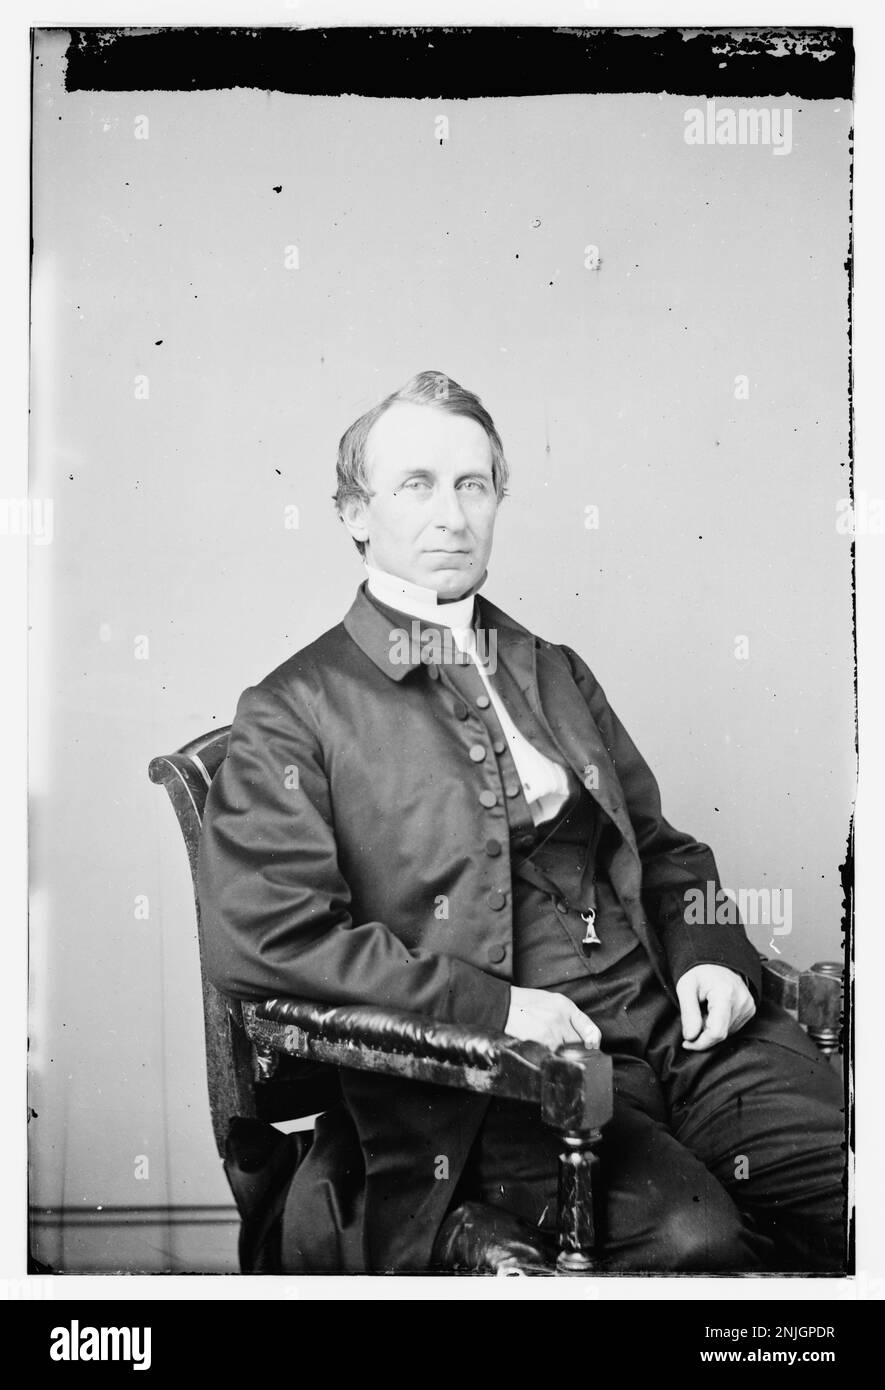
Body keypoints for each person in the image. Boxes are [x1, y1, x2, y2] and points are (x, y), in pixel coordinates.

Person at [197, 370, 846, 1274]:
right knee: (692, 1239)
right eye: (414, 485)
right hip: (497, 1078)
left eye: (473, 485)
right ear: (354, 513)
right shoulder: (295, 709)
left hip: (674, 1029)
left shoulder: (553, 670)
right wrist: (499, 1009)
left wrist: (714, 956)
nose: (451, 515)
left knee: (851, 1186)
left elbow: (661, 852)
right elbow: (267, 939)